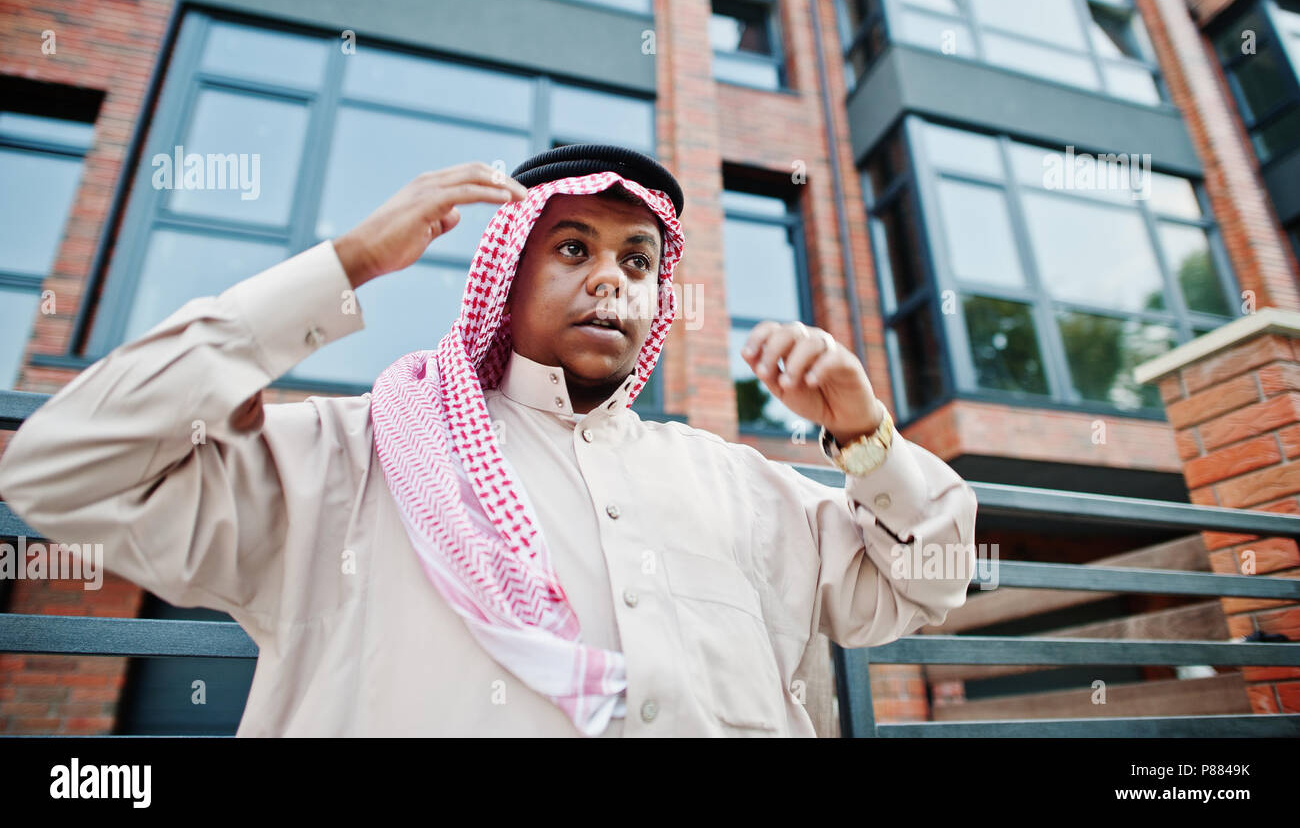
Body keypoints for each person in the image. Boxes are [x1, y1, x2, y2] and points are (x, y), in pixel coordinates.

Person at [0, 144, 978, 737]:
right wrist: (341, 266)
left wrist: (863, 435)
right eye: (571, 249)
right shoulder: (350, 460)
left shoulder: (731, 481)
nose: (612, 280)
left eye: (638, 261)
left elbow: (929, 577)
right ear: (503, 279)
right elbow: (64, 466)